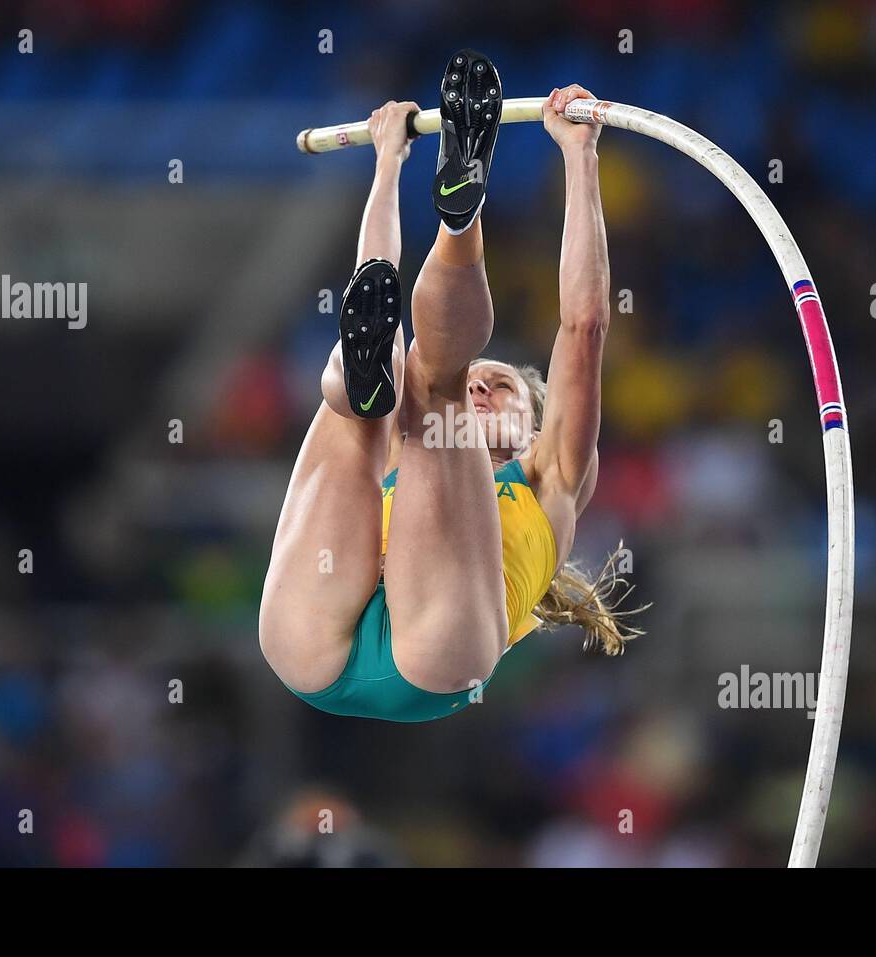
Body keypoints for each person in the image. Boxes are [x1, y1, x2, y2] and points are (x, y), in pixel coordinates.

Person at [260, 50, 644, 722]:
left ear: (536, 424)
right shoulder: (403, 444)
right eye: (486, 381)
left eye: (502, 387)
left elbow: (583, 326)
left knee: (433, 392)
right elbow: (371, 290)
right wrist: (387, 164)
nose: (486, 391)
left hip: (438, 650)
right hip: (311, 634)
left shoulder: (552, 473)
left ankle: (461, 221)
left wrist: (580, 160)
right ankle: (359, 377)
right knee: (379, 389)